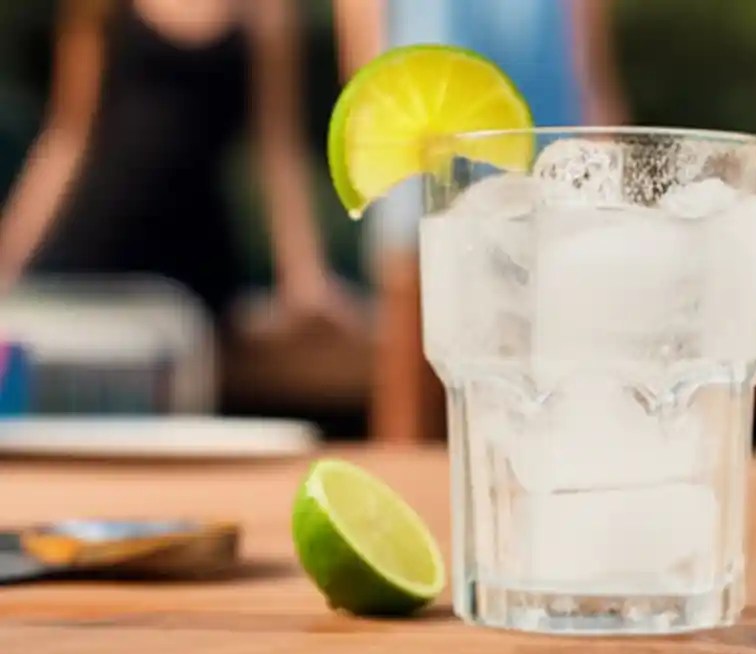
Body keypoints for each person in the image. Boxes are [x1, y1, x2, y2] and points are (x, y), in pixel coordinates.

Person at [332, 0, 627, 440]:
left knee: (550, 382)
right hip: (425, 158)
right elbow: (366, 58)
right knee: (416, 378)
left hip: (550, 161)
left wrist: (606, 151)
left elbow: (590, 63)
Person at [0, 0, 352, 327]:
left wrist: (305, 277)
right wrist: (8, 261)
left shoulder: (265, 11)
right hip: (95, 246)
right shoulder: (103, 7)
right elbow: (67, 137)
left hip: (193, 257)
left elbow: (278, 149)